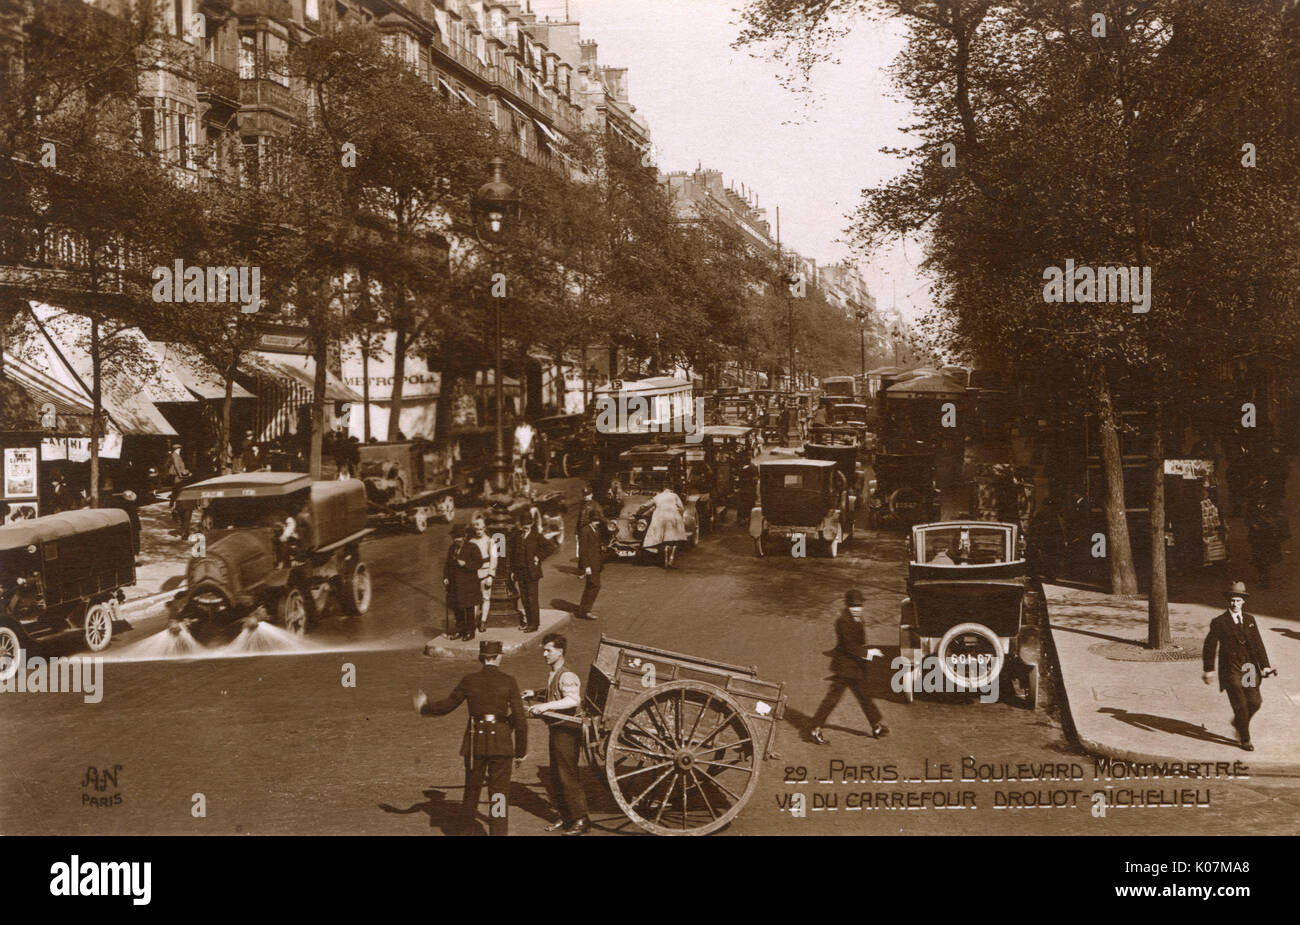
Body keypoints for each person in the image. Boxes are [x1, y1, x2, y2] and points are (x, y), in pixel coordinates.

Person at [414, 640, 528, 835]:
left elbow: (446, 706)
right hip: (501, 744)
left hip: (476, 744)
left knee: (471, 793)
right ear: (499, 657)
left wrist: (425, 706)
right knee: (499, 794)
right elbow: (520, 720)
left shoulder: (469, 680)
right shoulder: (509, 681)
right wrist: (520, 752)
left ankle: (466, 831)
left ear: (481, 658)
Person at [523, 634, 590, 835]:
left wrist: (544, 707)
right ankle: (567, 816)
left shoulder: (567, 675)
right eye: (544, 650)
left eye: (548, 650)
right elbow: (555, 691)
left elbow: (572, 700)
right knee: (556, 774)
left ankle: (581, 819)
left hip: (567, 731)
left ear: (560, 651)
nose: (544, 654)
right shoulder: (555, 673)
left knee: (566, 774)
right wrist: (534, 694)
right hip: (557, 729)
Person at [1202, 581, 1276, 751]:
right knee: (1240, 705)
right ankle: (1245, 738)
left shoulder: (1250, 620)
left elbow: (1258, 644)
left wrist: (1265, 666)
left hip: (1249, 668)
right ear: (1228, 601)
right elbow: (1210, 645)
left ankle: (1238, 722)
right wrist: (1209, 669)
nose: (1234, 603)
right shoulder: (1219, 622)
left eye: (1238, 600)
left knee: (1255, 702)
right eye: (1232, 600)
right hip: (1231, 669)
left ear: (1243, 601)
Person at [809, 589, 888, 745]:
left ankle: (876, 726)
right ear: (847, 606)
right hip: (844, 668)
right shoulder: (843, 621)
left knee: (864, 696)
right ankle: (814, 728)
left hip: (854, 667)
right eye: (853, 606)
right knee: (832, 700)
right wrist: (869, 652)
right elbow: (850, 647)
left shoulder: (857, 618)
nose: (857, 609)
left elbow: (859, 642)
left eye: (859, 605)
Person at [445, 525, 485, 641]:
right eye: (455, 538)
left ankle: (470, 632)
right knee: (457, 608)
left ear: (464, 537)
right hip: (455, 584)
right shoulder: (452, 548)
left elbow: (479, 563)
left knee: (469, 609)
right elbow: (447, 564)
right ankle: (460, 631)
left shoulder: (472, 547)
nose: (456, 540)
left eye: (459, 537)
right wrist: (445, 577)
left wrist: (466, 564)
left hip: (469, 584)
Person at [511, 507, 545, 633]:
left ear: (531, 524)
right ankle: (529, 623)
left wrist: (538, 557)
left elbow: (549, 547)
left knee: (532, 599)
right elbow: (514, 555)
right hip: (521, 573)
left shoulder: (536, 536)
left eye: (527, 524)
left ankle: (534, 624)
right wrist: (513, 571)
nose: (525, 526)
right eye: (523, 524)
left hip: (532, 573)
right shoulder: (518, 536)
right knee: (525, 599)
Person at [1244, 488, 1283, 589]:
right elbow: (1246, 520)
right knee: (1258, 559)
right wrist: (1252, 525)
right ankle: (1263, 576)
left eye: (1262, 499)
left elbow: (1278, 521)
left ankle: (1265, 580)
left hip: (1268, 539)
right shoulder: (1251, 508)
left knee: (1265, 560)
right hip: (1256, 538)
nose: (1260, 501)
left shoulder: (1272, 508)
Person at [643, 485, 688, 569]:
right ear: (670, 489)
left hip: (660, 517)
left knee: (661, 536)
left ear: (662, 489)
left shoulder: (657, 496)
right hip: (673, 516)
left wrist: (639, 510)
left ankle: (665, 548)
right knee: (675, 538)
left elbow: (646, 506)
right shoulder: (674, 495)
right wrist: (679, 515)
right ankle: (671, 557)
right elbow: (681, 508)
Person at [467, 512, 497, 633]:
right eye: (477, 529)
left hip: (485, 573)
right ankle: (473, 621)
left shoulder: (490, 541)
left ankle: (483, 621)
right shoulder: (471, 541)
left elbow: (494, 558)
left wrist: (491, 574)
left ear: (485, 528)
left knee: (485, 598)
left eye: (481, 529)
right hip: (474, 574)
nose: (479, 531)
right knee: (474, 600)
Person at [576, 513, 603, 620]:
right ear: (591, 521)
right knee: (595, 586)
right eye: (596, 521)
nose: (598, 523)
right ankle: (585, 611)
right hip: (590, 565)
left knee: (590, 586)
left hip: (596, 564)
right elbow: (582, 551)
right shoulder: (585, 531)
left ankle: (583, 610)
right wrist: (586, 566)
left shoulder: (595, 530)